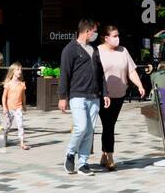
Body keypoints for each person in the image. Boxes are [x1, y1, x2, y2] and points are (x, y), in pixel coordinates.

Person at [58, 18, 107, 176]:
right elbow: (64, 74)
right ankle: (70, 153)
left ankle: (83, 163)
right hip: (77, 95)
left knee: (90, 130)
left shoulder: (94, 50)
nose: (95, 34)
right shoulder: (70, 50)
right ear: (87, 31)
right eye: (94, 31)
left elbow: (101, 73)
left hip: (94, 96)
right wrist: (62, 97)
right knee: (81, 127)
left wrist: (104, 93)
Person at [97, 25, 145, 171]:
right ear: (106, 38)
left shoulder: (123, 51)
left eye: (118, 35)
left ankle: (105, 152)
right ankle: (110, 156)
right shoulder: (97, 51)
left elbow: (131, 71)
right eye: (114, 36)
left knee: (109, 125)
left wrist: (139, 85)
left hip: (119, 95)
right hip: (103, 96)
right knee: (108, 124)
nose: (117, 38)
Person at [0, 62, 31, 150]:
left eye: (20, 69)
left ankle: (22, 143)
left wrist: (24, 105)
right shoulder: (8, 84)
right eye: (17, 69)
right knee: (7, 126)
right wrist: (4, 107)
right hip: (9, 108)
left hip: (18, 108)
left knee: (20, 125)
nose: (19, 71)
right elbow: (4, 97)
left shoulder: (22, 84)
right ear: (13, 71)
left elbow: (23, 96)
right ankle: (4, 139)